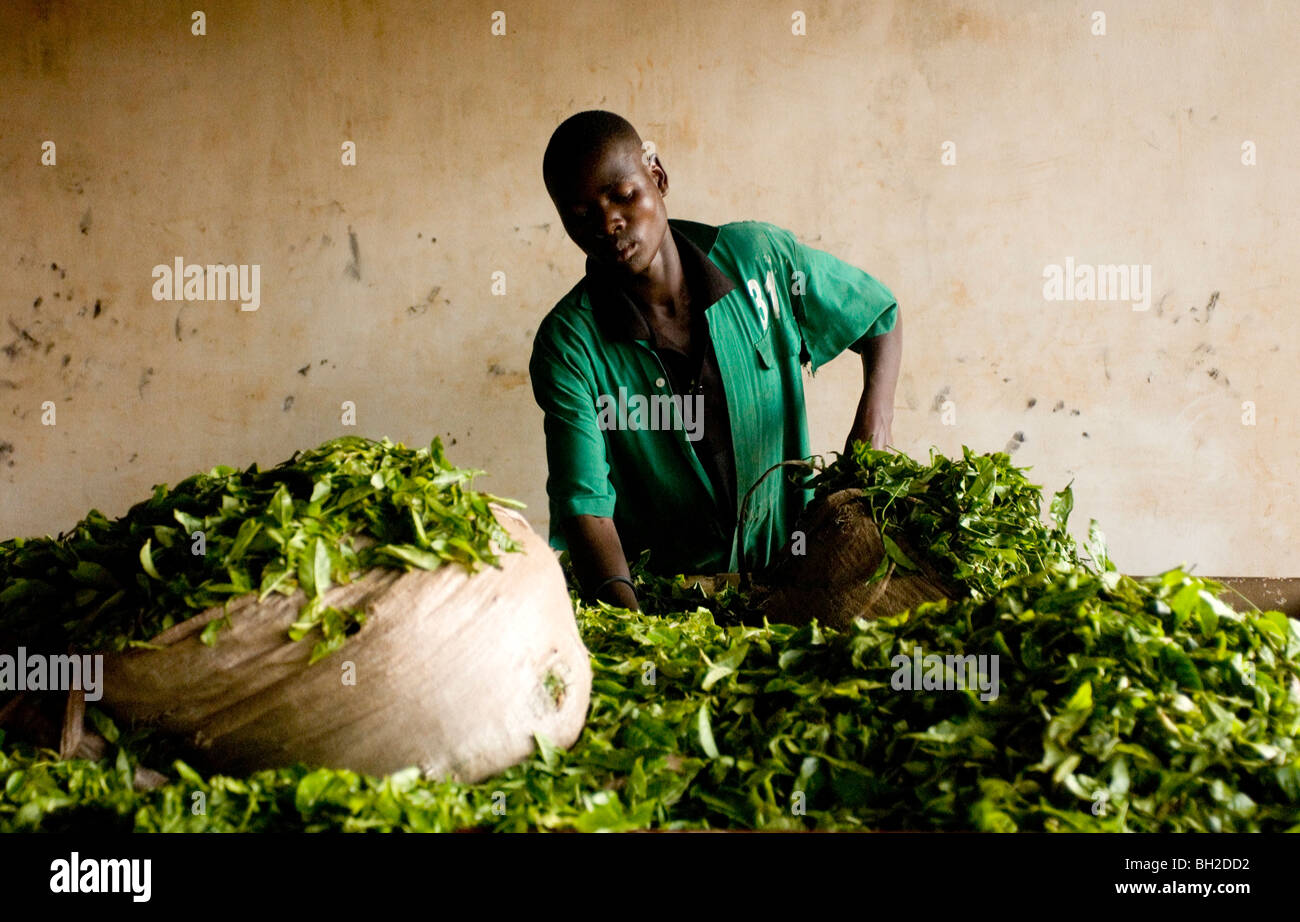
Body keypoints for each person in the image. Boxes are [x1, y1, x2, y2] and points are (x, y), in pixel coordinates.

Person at [529, 110, 901, 610]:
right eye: (580, 215)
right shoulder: (569, 345)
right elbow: (586, 507)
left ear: (657, 177)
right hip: (669, 605)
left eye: (623, 195)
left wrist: (873, 428)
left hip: (798, 582)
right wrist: (633, 629)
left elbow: (878, 317)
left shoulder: (761, 262)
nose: (608, 223)